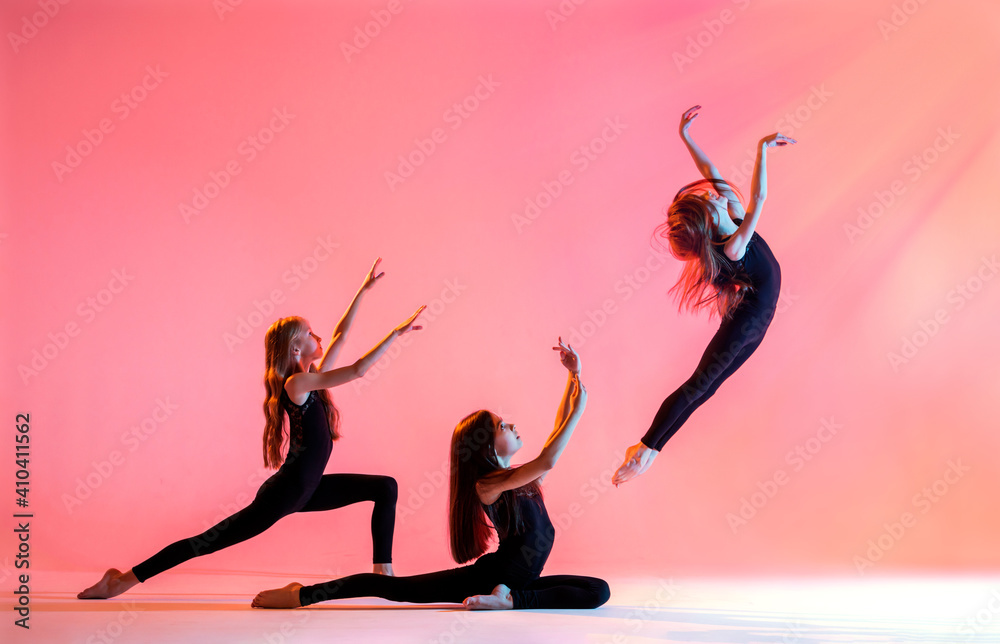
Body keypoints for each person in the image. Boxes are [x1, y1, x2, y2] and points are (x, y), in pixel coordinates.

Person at [78, 258, 425, 599]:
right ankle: (121, 580)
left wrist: (363, 291)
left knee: (385, 487)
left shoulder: (312, 381)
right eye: (308, 332)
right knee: (208, 542)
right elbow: (359, 370)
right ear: (294, 347)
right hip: (285, 492)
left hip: (309, 488)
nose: (316, 335)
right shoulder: (297, 384)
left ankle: (384, 575)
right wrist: (395, 334)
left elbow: (340, 335)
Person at [251, 339, 610, 610]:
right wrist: (579, 411)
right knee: (393, 588)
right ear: (486, 445)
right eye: (502, 425)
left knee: (599, 590)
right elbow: (549, 458)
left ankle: (511, 598)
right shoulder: (488, 486)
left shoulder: (518, 481)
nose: (512, 424)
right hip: (490, 577)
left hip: (519, 580)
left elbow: (551, 442)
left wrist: (573, 377)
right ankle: (301, 595)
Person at [613, 105, 795, 486]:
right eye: (708, 202)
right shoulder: (732, 244)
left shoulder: (727, 210)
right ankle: (645, 448)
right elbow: (760, 198)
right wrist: (762, 149)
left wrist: (687, 137)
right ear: (709, 221)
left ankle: (649, 450)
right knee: (699, 384)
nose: (713, 195)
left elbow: (710, 171)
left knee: (708, 387)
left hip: (758, 317)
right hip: (751, 318)